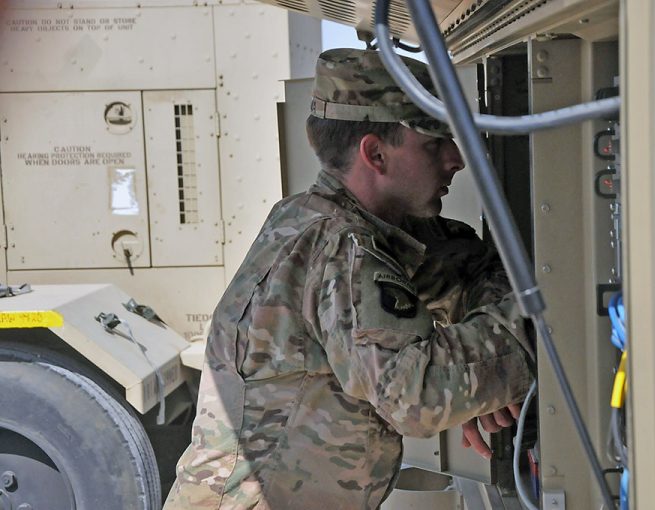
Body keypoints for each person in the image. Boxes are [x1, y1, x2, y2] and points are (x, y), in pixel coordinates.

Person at [164, 48, 534, 510]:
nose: (455, 159)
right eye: (434, 143)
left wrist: (479, 387)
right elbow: (418, 395)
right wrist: (529, 328)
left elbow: (470, 267)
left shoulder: (318, 220)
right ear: (375, 154)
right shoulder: (341, 247)